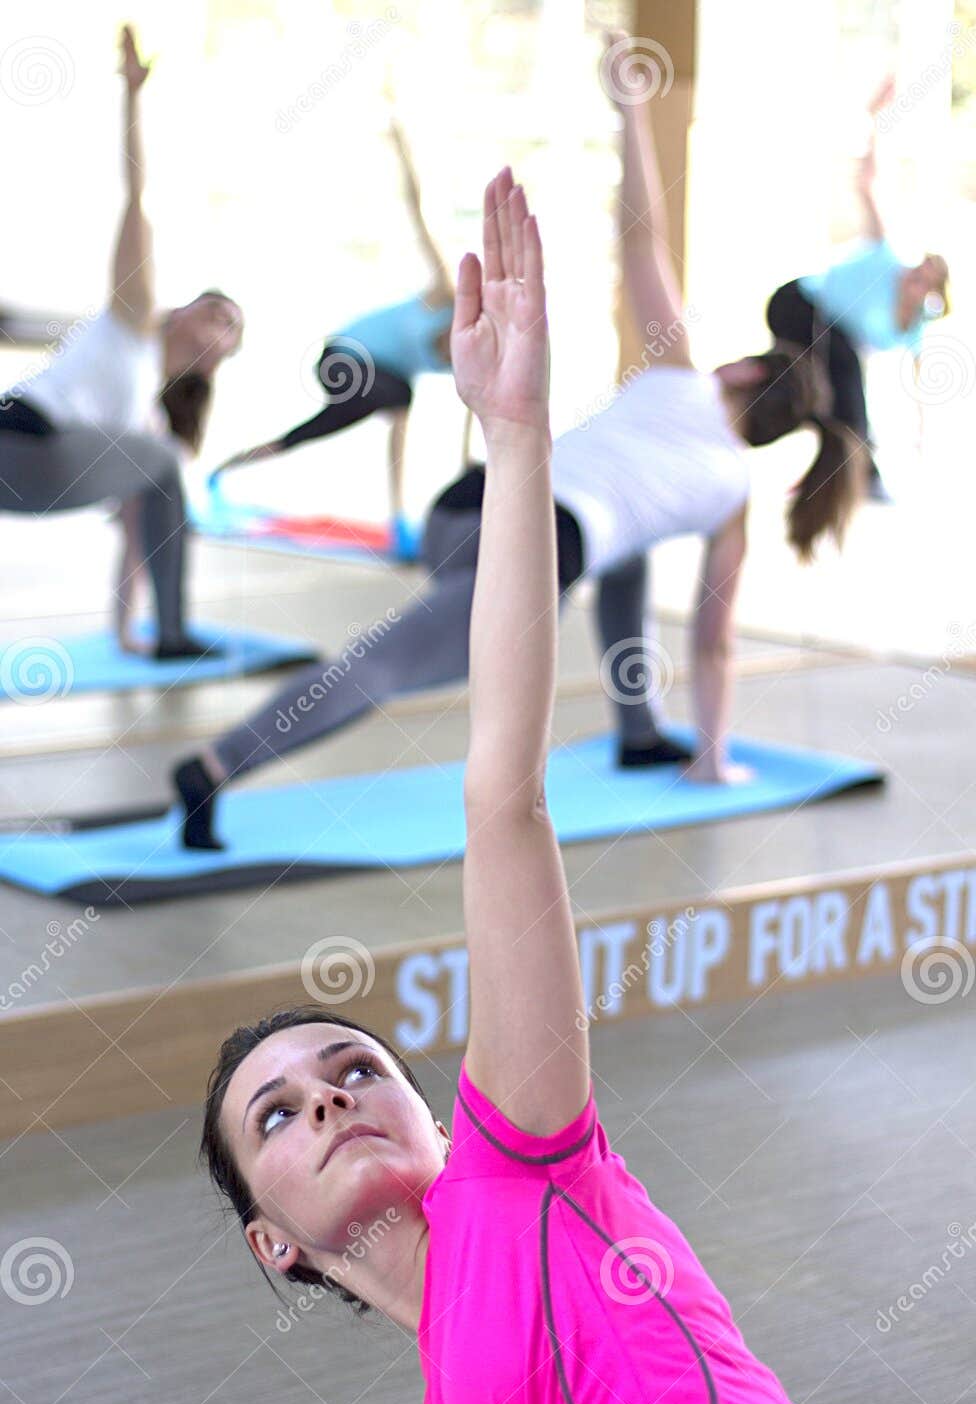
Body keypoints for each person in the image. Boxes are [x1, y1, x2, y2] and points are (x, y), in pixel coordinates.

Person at [199, 167, 954, 1404]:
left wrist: (518, 429)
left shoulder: (520, 1175)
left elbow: (502, 798)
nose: (332, 1099)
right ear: (271, 1242)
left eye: (353, 1068)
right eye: (279, 1114)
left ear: (445, 1113)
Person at [172, 37, 863, 848]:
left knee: (623, 553)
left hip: (468, 506)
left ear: (746, 370)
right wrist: (714, 761)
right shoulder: (732, 496)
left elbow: (641, 239)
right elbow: (714, 646)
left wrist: (630, 109)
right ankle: (211, 769)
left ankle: (639, 732)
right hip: (526, 548)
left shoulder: (677, 373)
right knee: (386, 665)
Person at [0, 26, 244, 659]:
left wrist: (122, 634)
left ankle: (161, 634)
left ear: (217, 363)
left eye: (232, 330)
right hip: (21, 438)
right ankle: (175, 635)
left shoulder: (148, 425)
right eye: (216, 312)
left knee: (160, 474)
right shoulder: (134, 322)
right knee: (162, 464)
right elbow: (136, 196)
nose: (220, 327)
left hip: (37, 472)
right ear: (181, 312)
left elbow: (139, 539)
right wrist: (133, 95)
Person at [212, 118, 468, 559]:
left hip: (377, 384)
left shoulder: (465, 357)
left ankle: (222, 471)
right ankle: (399, 519)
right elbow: (420, 212)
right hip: (340, 358)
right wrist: (401, 144)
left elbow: (472, 421)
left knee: (310, 433)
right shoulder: (446, 295)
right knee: (401, 397)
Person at [766, 75, 949, 501]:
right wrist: (877, 120)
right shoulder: (886, 256)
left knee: (825, 393)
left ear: (930, 294)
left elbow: (921, 386)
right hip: (796, 303)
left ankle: (829, 477)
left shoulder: (913, 327)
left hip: (825, 334)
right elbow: (868, 183)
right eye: (915, 268)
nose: (911, 276)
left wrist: (922, 437)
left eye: (921, 279)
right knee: (844, 375)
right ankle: (864, 474)